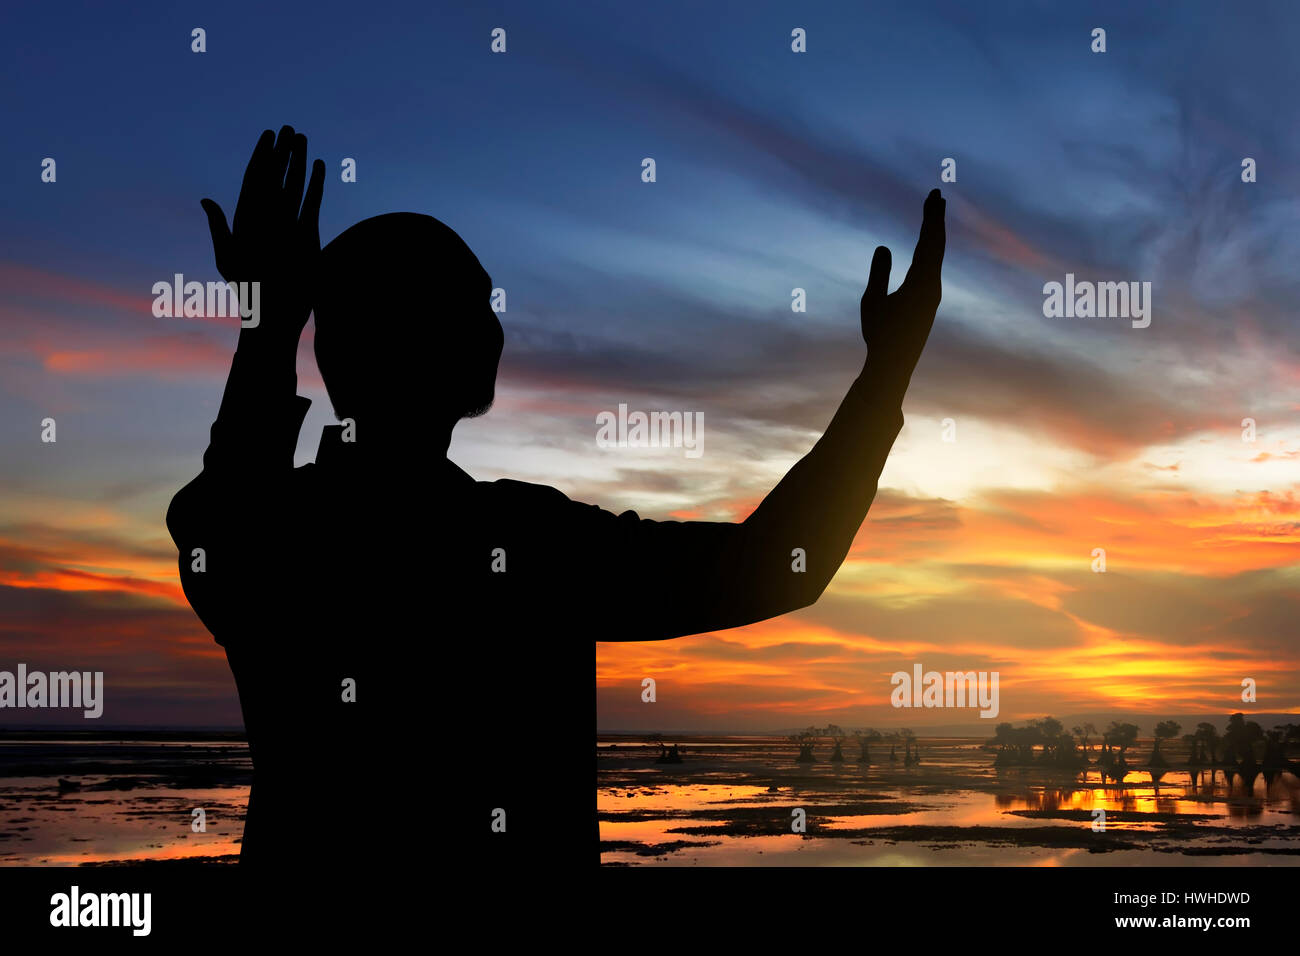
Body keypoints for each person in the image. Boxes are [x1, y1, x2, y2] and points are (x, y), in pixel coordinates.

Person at [168, 125, 946, 872]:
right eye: (472, 304)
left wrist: (266, 328)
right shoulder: (527, 543)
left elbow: (231, 526)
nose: (496, 327)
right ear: (416, 335)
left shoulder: (281, 538)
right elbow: (777, 566)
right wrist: (886, 376)